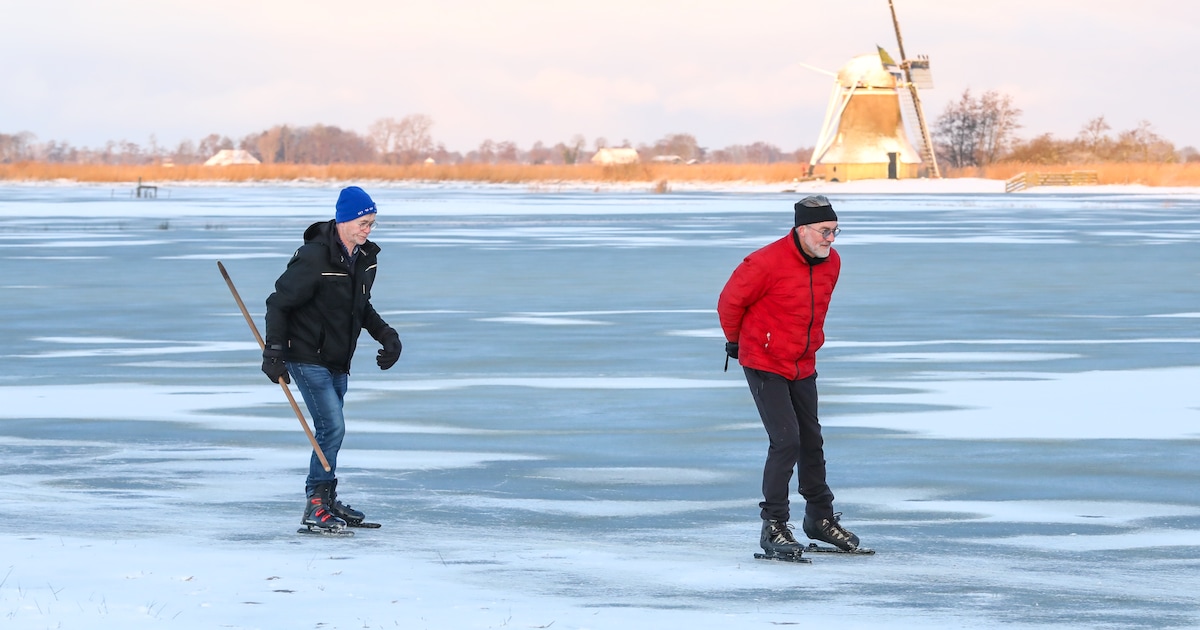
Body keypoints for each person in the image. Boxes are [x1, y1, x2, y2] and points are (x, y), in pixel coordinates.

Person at [717, 194, 862, 556]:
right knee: (786, 441)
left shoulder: (832, 263)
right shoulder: (764, 263)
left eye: (835, 231)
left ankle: (819, 519)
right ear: (802, 229)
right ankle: (774, 526)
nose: (831, 238)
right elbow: (729, 303)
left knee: (811, 441)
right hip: (764, 360)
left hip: (802, 361)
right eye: (825, 231)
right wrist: (737, 342)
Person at [263, 186, 403, 532]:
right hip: (306, 355)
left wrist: (387, 335)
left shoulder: (365, 258)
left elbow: (360, 307)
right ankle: (315, 502)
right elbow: (278, 303)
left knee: (331, 430)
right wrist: (274, 351)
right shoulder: (314, 258)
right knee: (332, 427)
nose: (367, 230)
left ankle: (325, 499)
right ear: (345, 219)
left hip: (339, 359)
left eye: (372, 223)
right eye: (363, 222)